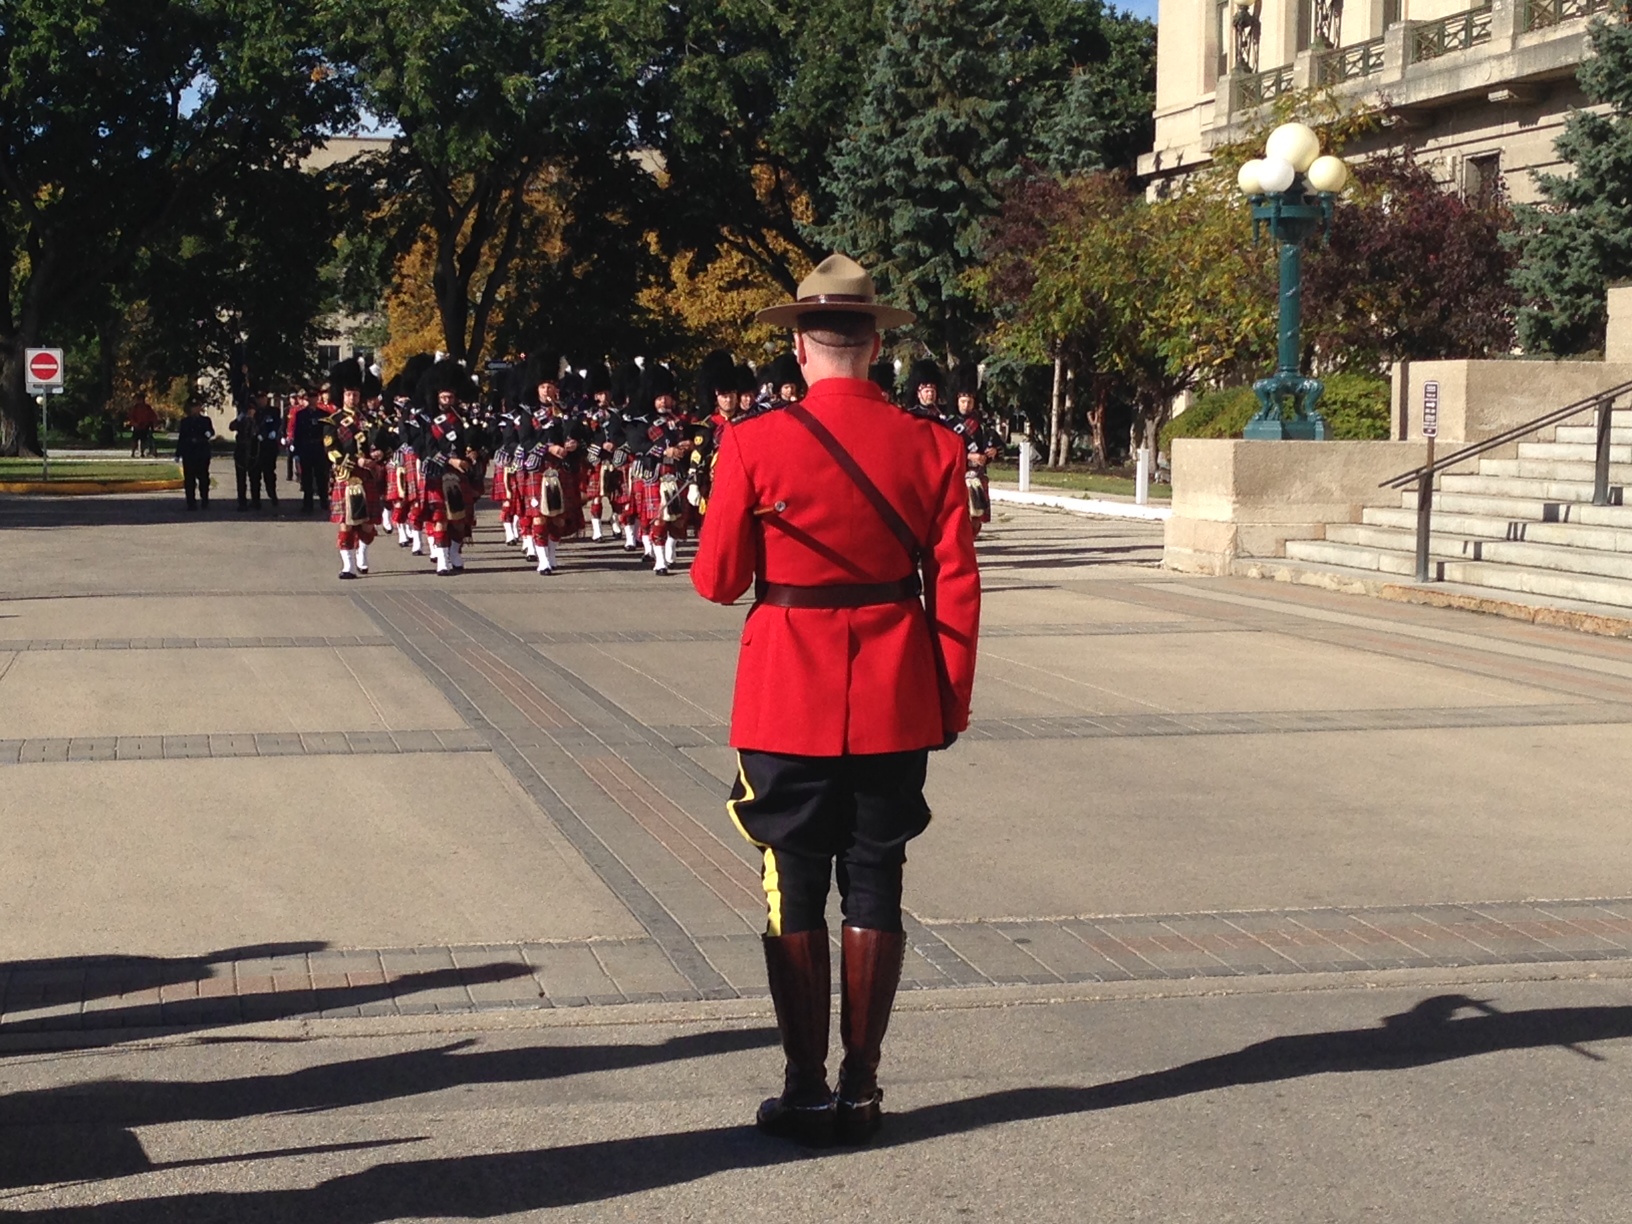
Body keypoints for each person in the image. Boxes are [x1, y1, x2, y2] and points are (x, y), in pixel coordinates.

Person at [690, 253, 981, 1147]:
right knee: (876, 881)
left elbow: (716, 581)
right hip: (896, 696)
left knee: (793, 888)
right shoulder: (935, 445)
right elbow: (959, 587)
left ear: (802, 349)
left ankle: (805, 1085)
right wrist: (950, 701)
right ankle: (862, 1085)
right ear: (874, 346)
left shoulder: (751, 442)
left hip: (787, 696)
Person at [174, 397, 216, 510]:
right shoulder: (185, 422)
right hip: (189, 453)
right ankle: (191, 502)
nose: (195, 409)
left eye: (197, 407)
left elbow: (211, 432)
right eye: (193, 407)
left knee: (203, 478)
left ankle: (204, 499)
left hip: (202, 452)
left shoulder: (205, 420)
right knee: (189, 479)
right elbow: (182, 438)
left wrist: (208, 433)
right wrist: (178, 453)